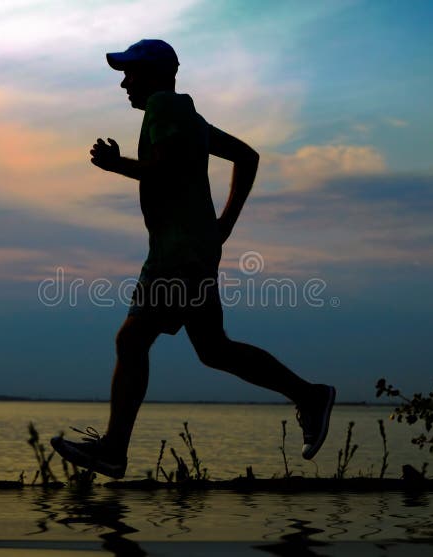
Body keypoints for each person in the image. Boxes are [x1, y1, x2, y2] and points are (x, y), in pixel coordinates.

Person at [51, 39, 335, 479]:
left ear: (155, 74)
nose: (124, 83)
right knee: (214, 349)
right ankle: (309, 396)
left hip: (179, 255)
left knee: (132, 341)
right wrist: (224, 225)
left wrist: (114, 164)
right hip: (188, 250)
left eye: (130, 73)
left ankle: (113, 450)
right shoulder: (189, 117)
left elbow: (162, 168)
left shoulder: (165, 106)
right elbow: (247, 156)